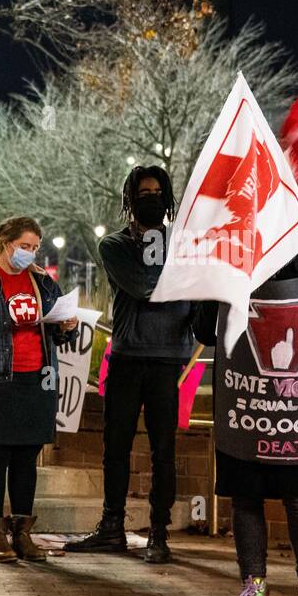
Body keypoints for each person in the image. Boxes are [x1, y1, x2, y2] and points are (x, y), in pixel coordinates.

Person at [193, 237, 298, 596]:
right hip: (246, 399)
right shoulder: (228, 247)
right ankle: (255, 590)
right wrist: (212, 288)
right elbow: (205, 331)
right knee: (246, 496)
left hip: (294, 410)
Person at [67, 165, 196, 563]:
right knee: (116, 448)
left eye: (158, 191)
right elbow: (142, 286)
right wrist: (185, 275)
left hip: (168, 360)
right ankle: (112, 527)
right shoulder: (115, 245)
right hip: (125, 358)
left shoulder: (185, 244)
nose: (151, 197)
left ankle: (159, 533)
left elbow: (204, 287)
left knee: (164, 451)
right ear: (130, 198)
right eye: (144, 192)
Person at [0, 216, 78, 562]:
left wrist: (68, 326)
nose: (30, 253)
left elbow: (60, 333)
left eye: (35, 247)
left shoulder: (43, 283)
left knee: (25, 460)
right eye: (25, 246)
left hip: (36, 383)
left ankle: (22, 535)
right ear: (6, 243)